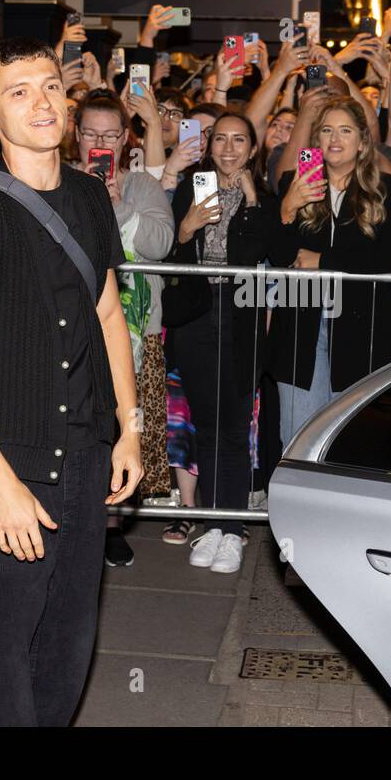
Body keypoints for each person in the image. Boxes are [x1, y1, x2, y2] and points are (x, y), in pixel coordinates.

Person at [0, 37, 142, 726]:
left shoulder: (88, 195)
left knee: (69, 650)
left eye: (50, 86)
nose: (41, 102)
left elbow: (109, 313)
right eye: (18, 92)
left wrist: (130, 430)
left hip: (84, 458)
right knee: (2, 658)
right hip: (9, 461)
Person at [166, 110, 273, 575]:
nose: (229, 149)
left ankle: (232, 528)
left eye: (239, 141)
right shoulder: (192, 186)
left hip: (241, 313)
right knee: (205, 424)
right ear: (209, 146)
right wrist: (187, 228)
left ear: (253, 148)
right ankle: (212, 524)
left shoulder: (265, 199)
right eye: (221, 140)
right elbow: (169, 250)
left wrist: (249, 205)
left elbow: (251, 255)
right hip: (196, 313)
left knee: (233, 426)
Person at [72, 89, 175, 566]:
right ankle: (72, 514)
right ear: (74, 135)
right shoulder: (58, 181)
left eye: (110, 134)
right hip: (70, 328)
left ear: (125, 138)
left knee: (121, 427)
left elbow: (160, 244)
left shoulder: (141, 187)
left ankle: (111, 522)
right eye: (91, 132)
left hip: (131, 330)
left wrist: (118, 205)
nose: (100, 142)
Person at [270, 97, 391, 439]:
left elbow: (390, 260)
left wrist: (323, 262)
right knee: (298, 439)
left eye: (345, 130)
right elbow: (277, 255)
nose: (334, 138)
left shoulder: (384, 190)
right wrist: (287, 210)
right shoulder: (294, 182)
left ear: (363, 142)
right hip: (301, 327)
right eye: (327, 130)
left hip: (364, 329)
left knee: (350, 439)